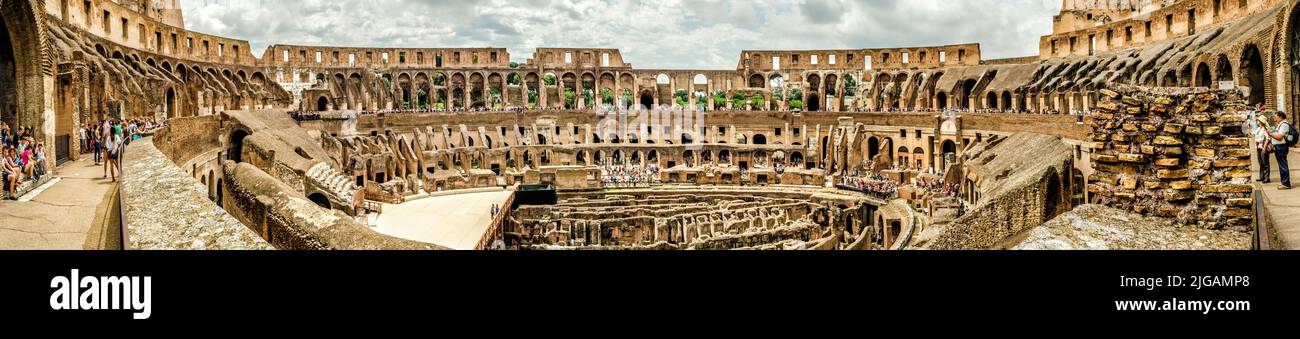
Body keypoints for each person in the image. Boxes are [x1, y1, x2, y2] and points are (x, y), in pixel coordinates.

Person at [1267, 111, 1293, 190]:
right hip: (1279, 147)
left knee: (1283, 165)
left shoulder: (1284, 125)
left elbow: (1279, 137)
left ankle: (1286, 183)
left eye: (1276, 117)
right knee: (1281, 165)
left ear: (1280, 117)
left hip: (1281, 147)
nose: (1275, 119)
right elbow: (1277, 134)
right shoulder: (1281, 125)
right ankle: (1284, 182)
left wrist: (1270, 134)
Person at [1254, 116, 1273, 183]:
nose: (1257, 122)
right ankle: (1262, 177)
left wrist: (1264, 147)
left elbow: (1268, 138)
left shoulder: (1265, 129)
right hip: (1258, 147)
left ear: (1261, 122)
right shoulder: (1258, 129)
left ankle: (1267, 178)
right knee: (1261, 162)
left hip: (1263, 146)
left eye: (1258, 120)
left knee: (1265, 162)